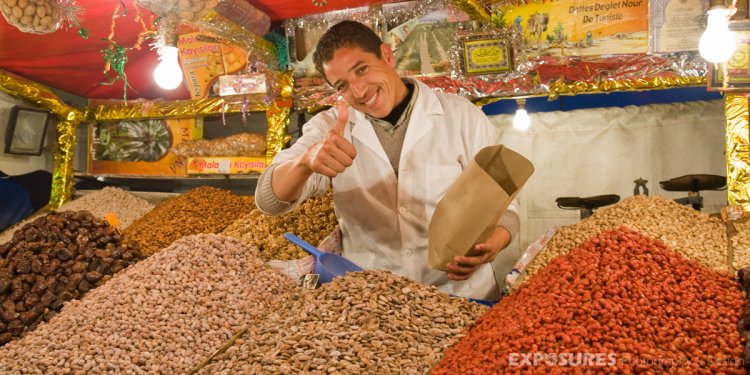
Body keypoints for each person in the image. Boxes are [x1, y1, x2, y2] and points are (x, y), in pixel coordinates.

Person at [255, 20, 520, 300]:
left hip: (459, 292)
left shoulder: (461, 116)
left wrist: (496, 240)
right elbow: (268, 200)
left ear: (387, 55)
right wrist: (306, 161)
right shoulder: (329, 128)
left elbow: (503, 202)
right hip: (373, 298)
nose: (358, 91)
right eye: (343, 85)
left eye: (362, 69)